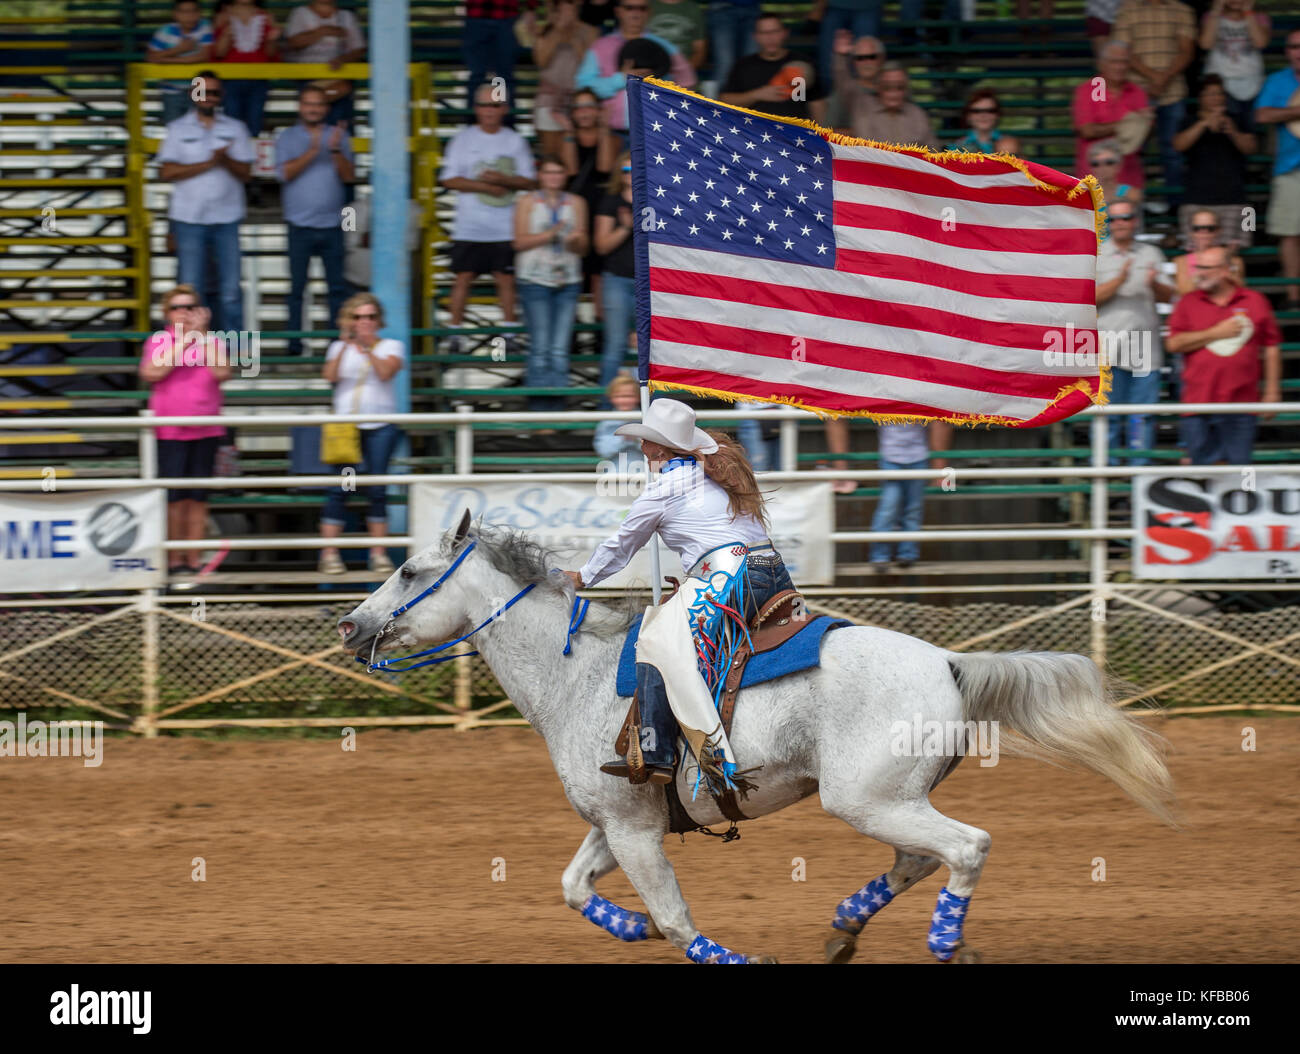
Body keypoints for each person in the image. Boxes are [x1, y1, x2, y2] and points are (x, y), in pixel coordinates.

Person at [562, 398, 795, 790]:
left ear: (660, 448)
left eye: (647, 441)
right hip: (771, 573)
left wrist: (583, 577)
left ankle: (673, 753)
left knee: (655, 638)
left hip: (728, 579)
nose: (642, 447)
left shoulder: (665, 489)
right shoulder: (714, 477)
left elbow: (622, 544)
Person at [438, 82, 538, 354]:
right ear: (475, 108)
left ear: (504, 109)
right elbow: (448, 179)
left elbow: (530, 181)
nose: (489, 111)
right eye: (483, 105)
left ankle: (509, 333)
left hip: (504, 226)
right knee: (463, 277)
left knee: (505, 280)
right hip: (469, 226)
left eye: (494, 105)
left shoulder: (514, 140)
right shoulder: (463, 139)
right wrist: (487, 186)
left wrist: (502, 179)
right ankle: (455, 334)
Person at [139, 286, 231, 575]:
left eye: (190, 306)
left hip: (206, 428)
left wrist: (201, 337)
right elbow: (152, 372)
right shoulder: (159, 340)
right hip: (171, 431)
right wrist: (184, 340)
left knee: (198, 498)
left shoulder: (212, 341)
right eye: (178, 307)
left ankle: (195, 559)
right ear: (168, 313)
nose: (185, 312)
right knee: (175, 499)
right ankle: (174, 559)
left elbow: (222, 372)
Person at [156, 70, 254, 334]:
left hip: (228, 218)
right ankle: (190, 352)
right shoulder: (177, 129)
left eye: (214, 92)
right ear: (192, 94)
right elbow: (166, 172)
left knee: (231, 291)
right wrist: (209, 162)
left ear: (221, 96)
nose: (208, 97)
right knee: (190, 290)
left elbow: (246, 173)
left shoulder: (236, 128)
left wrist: (225, 160)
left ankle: (234, 354)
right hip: (189, 219)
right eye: (203, 92)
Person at [1166, 245, 1281, 464]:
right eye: (1198, 267)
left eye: (1207, 267)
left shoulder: (1255, 301)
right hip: (1198, 402)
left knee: (1237, 472)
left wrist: (1272, 391)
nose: (1199, 272)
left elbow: (1272, 345)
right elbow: (1173, 344)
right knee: (1203, 475)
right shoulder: (1187, 303)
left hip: (1242, 402)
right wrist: (1216, 333)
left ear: (1227, 270)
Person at [319, 293, 405, 575]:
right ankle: (330, 554)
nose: (364, 322)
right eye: (358, 317)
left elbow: (385, 373)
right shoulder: (338, 347)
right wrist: (346, 345)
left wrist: (368, 348)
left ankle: (378, 554)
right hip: (347, 428)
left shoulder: (391, 345)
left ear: (378, 320)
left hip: (380, 426)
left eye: (369, 316)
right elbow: (330, 376)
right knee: (341, 489)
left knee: (377, 490)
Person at [275, 85, 354, 355]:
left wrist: (333, 150)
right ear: (300, 107)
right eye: (309, 104)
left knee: (337, 289)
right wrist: (313, 149)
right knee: (297, 290)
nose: (314, 109)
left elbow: (349, 177)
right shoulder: (286, 137)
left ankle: (338, 345)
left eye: (319, 104)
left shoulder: (339, 135)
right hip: (299, 225)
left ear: (326, 108)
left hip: (335, 224)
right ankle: (295, 345)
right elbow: (284, 174)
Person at [1096, 202, 1173, 464]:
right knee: (1109, 416)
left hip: (1146, 350)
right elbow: (1087, 300)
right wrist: (1119, 281)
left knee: (1142, 416)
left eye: (1126, 217)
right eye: (1115, 218)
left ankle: (1139, 470)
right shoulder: (1096, 254)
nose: (1120, 222)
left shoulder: (1152, 253)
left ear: (1135, 221)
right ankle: (1109, 471)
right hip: (1108, 349)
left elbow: (1170, 296)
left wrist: (1153, 284)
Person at [514, 155, 589, 412]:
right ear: (541, 175)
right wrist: (553, 233)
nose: (554, 177)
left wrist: (575, 240)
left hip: (568, 280)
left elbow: (583, 248)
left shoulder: (576, 202)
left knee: (559, 349)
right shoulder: (527, 201)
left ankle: (557, 412)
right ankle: (538, 412)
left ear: (564, 176)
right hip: (533, 280)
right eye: (549, 172)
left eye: (558, 172)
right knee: (540, 347)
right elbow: (519, 242)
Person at [1110, 0, 1196, 202]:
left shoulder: (1182, 9)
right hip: (1136, 96)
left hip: (1173, 94)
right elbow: (1123, 52)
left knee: (1173, 153)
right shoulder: (1127, 10)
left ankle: (1173, 206)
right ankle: (1131, 205)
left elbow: (1187, 51)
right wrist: (1157, 78)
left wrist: (1161, 79)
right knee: (1131, 152)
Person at [574, 0, 696, 134]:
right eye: (629, 8)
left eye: (642, 8)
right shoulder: (601, 46)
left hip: (656, 132)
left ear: (649, 13)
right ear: (618, 11)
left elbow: (688, 82)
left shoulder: (665, 47)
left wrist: (661, 88)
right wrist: (621, 79)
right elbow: (583, 86)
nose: (636, 13)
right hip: (612, 133)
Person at [1172, 76, 1256, 244]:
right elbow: (1178, 145)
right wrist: (1203, 123)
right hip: (1195, 201)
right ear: (1200, 98)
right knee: (1194, 251)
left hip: (1237, 202)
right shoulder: (1188, 121)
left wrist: (1232, 131)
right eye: (1210, 94)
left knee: (1237, 249)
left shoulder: (1237, 119)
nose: (1216, 98)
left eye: (1220, 94)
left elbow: (1251, 148)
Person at [561, 88, 621, 316]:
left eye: (588, 107)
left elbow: (605, 166)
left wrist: (604, 127)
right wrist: (568, 132)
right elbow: (570, 170)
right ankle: (572, 328)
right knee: (574, 268)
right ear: (573, 114)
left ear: (598, 111)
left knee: (598, 272)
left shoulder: (612, 137)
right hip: (575, 209)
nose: (583, 112)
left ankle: (598, 330)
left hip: (602, 208)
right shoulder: (566, 138)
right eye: (578, 108)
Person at [1254, 29, 1300, 310]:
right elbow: (1262, 115)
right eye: (1294, 46)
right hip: (1289, 168)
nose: (1299, 51)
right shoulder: (1277, 81)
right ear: (1287, 51)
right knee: (1289, 234)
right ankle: (1294, 298)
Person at [720, 12, 827, 123]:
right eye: (764, 33)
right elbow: (725, 101)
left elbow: (817, 103)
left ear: (785, 33)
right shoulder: (743, 65)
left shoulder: (804, 63)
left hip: (795, 133)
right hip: (757, 133)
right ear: (755, 37)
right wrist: (757, 95)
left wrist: (821, 135)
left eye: (775, 32)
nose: (770, 38)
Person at [1073, 41, 1151, 189]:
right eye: (1114, 62)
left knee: (1125, 211)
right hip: (1093, 179)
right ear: (1101, 64)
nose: (1120, 67)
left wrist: (1140, 124)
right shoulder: (1088, 89)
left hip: (1127, 180)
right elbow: (1087, 130)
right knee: (1096, 212)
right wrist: (1128, 124)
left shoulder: (1137, 92)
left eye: (1124, 62)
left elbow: (1145, 131)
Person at [283, 0, 367, 127]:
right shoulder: (300, 13)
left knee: (340, 121)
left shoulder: (346, 16)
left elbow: (359, 48)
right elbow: (294, 43)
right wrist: (323, 31)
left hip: (338, 79)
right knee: (311, 120)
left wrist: (342, 59)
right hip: (308, 77)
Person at [535, 0, 601, 159]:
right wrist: (558, 32)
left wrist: (574, 37)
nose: (567, 12)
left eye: (571, 8)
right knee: (551, 155)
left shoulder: (590, 31)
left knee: (575, 154)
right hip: (549, 99)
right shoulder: (545, 31)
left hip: (578, 101)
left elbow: (591, 65)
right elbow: (541, 61)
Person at [593, 151, 636, 388]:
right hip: (617, 280)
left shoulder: (655, 198)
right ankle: (606, 409)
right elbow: (601, 245)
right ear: (618, 174)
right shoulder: (610, 201)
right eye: (625, 170)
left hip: (649, 282)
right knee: (616, 344)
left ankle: (655, 407)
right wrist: (625, 227)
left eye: (634, 168)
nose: (630, 174)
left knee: (652, 348)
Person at [213, 0, 280, 138]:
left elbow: (271, 54)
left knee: (255, 122)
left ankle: (250, 158)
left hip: (259, 79)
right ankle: (231, 157)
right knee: (231, 121)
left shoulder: (267, 17)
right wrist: (226, 35)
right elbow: (218, 53)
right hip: (230, 80)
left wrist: (272, 40)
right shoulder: (223, 17)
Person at [1199, 0, 1270, 125]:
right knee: (1224, 128)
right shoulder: (1211, 16)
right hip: (1220, 83)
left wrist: (1248, 12)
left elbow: (1260, 43)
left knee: (1248, 129)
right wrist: (1216, 9)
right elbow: (1206, 44)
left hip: (1252, 82)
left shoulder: (1259, 17)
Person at [869, 423, 928, 571]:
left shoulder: (922, 400)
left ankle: (907, 554)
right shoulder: (885, 399)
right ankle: (880, 556)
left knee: (913, 509)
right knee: (889, 506)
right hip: (890, 457)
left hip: (918, 456)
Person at [148, 0, 215, 127]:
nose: (189, 15)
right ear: (175, 14)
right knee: (174, 128)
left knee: (200, 128)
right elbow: (151, 57)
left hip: (198, 88)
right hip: (171, 89)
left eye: (193, 11)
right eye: (184, 12)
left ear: (199, 13)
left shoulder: (205, 27)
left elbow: (203, 56)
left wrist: (166, 60)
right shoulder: (165, 31)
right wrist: (179, 50)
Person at [852, 64, 938, 149]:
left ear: (906, 89)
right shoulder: (864, 112)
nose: (894, 93)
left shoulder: (917, 115)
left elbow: (933, 151)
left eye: (900, 87)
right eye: (887, 87)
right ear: (878, 87)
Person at [1173, 209, 1245, 296]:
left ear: (1219, 230)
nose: (1204, 232)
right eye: (1197, 228)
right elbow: (1183, 292)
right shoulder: (1181, 261)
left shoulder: (1234, 261)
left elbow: (1238, 290)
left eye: (1210, 228)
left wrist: (1226, 259)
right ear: (1191, 232)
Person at [826, 30, 884, 135]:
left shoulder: (894, 89)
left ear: (881, 58)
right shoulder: (843, 92)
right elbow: (828, 132)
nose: (866, 62)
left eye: (872, 57)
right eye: (860, 58)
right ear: (854, 62)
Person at [949, 88, 1020, 154]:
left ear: (998, 114)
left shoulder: (1010, 145)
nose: (983, 115)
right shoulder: (956, 148)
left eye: (990, 111)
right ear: (968, 115)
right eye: (976, 111)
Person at [707, 0, 760, 88]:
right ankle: (715, 101)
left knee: (751, 63)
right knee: (725, 64)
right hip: (722, 8)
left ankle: (747, 100)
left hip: (752, 8)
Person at [648, 0, 706, 75]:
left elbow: (700, 50)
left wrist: (684, 73)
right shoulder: (644, 5)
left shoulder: (693, 8)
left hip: (684, 75)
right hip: (650, 74)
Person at [594, 373, 644, 461]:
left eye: (629, 396)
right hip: (615, 472)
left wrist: (636, 439)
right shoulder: (607, 422)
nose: (624, 400)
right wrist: (623, 439)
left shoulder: (645, 420)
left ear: (638, 397)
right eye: (618, 396)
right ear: (611, 398)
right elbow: (603, 451)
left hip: (643, 471)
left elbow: (656, 452)